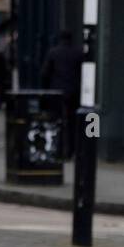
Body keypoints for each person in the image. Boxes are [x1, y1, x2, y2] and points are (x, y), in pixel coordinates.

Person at [40, 30, 83, 159]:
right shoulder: (78, 53)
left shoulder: (53, 52)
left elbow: (44, 74)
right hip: (74, 92)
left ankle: (59, 150)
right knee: (73, 122)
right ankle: (72, 150)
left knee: (57, 122)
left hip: (57, 93)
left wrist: (46, 91)